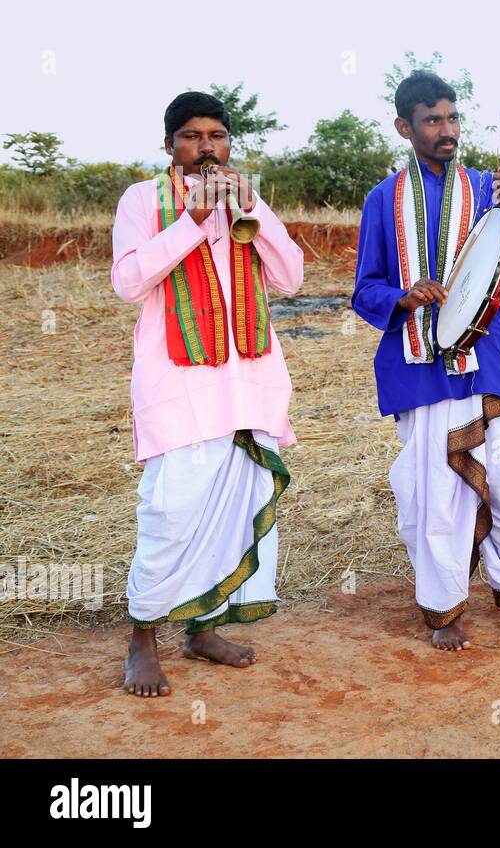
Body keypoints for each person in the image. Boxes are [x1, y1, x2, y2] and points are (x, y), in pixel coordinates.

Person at [112, 91, 303, 696]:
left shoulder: (246, 200)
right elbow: (128, 280)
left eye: (216, 136)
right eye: (191, 136)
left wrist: (254, 209)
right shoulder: (143, 200)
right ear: (169, 145)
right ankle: (143, 635)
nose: (205, 147)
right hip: (179, 386)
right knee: (171, 511)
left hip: (247, 384)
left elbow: (292, 276)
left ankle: (203, 628)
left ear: (229, 145)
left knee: (234, 508)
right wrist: (191, 220)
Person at [352, 71, 500, 651]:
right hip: (419, 369)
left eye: (452, 117)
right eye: (433, 120)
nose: (447, 130)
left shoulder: (490, 187)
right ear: (404, 127)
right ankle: (442, 608)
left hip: (484, 361)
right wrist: (403, 297)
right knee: (432, 493)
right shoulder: (380, 201)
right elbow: (365, 290)